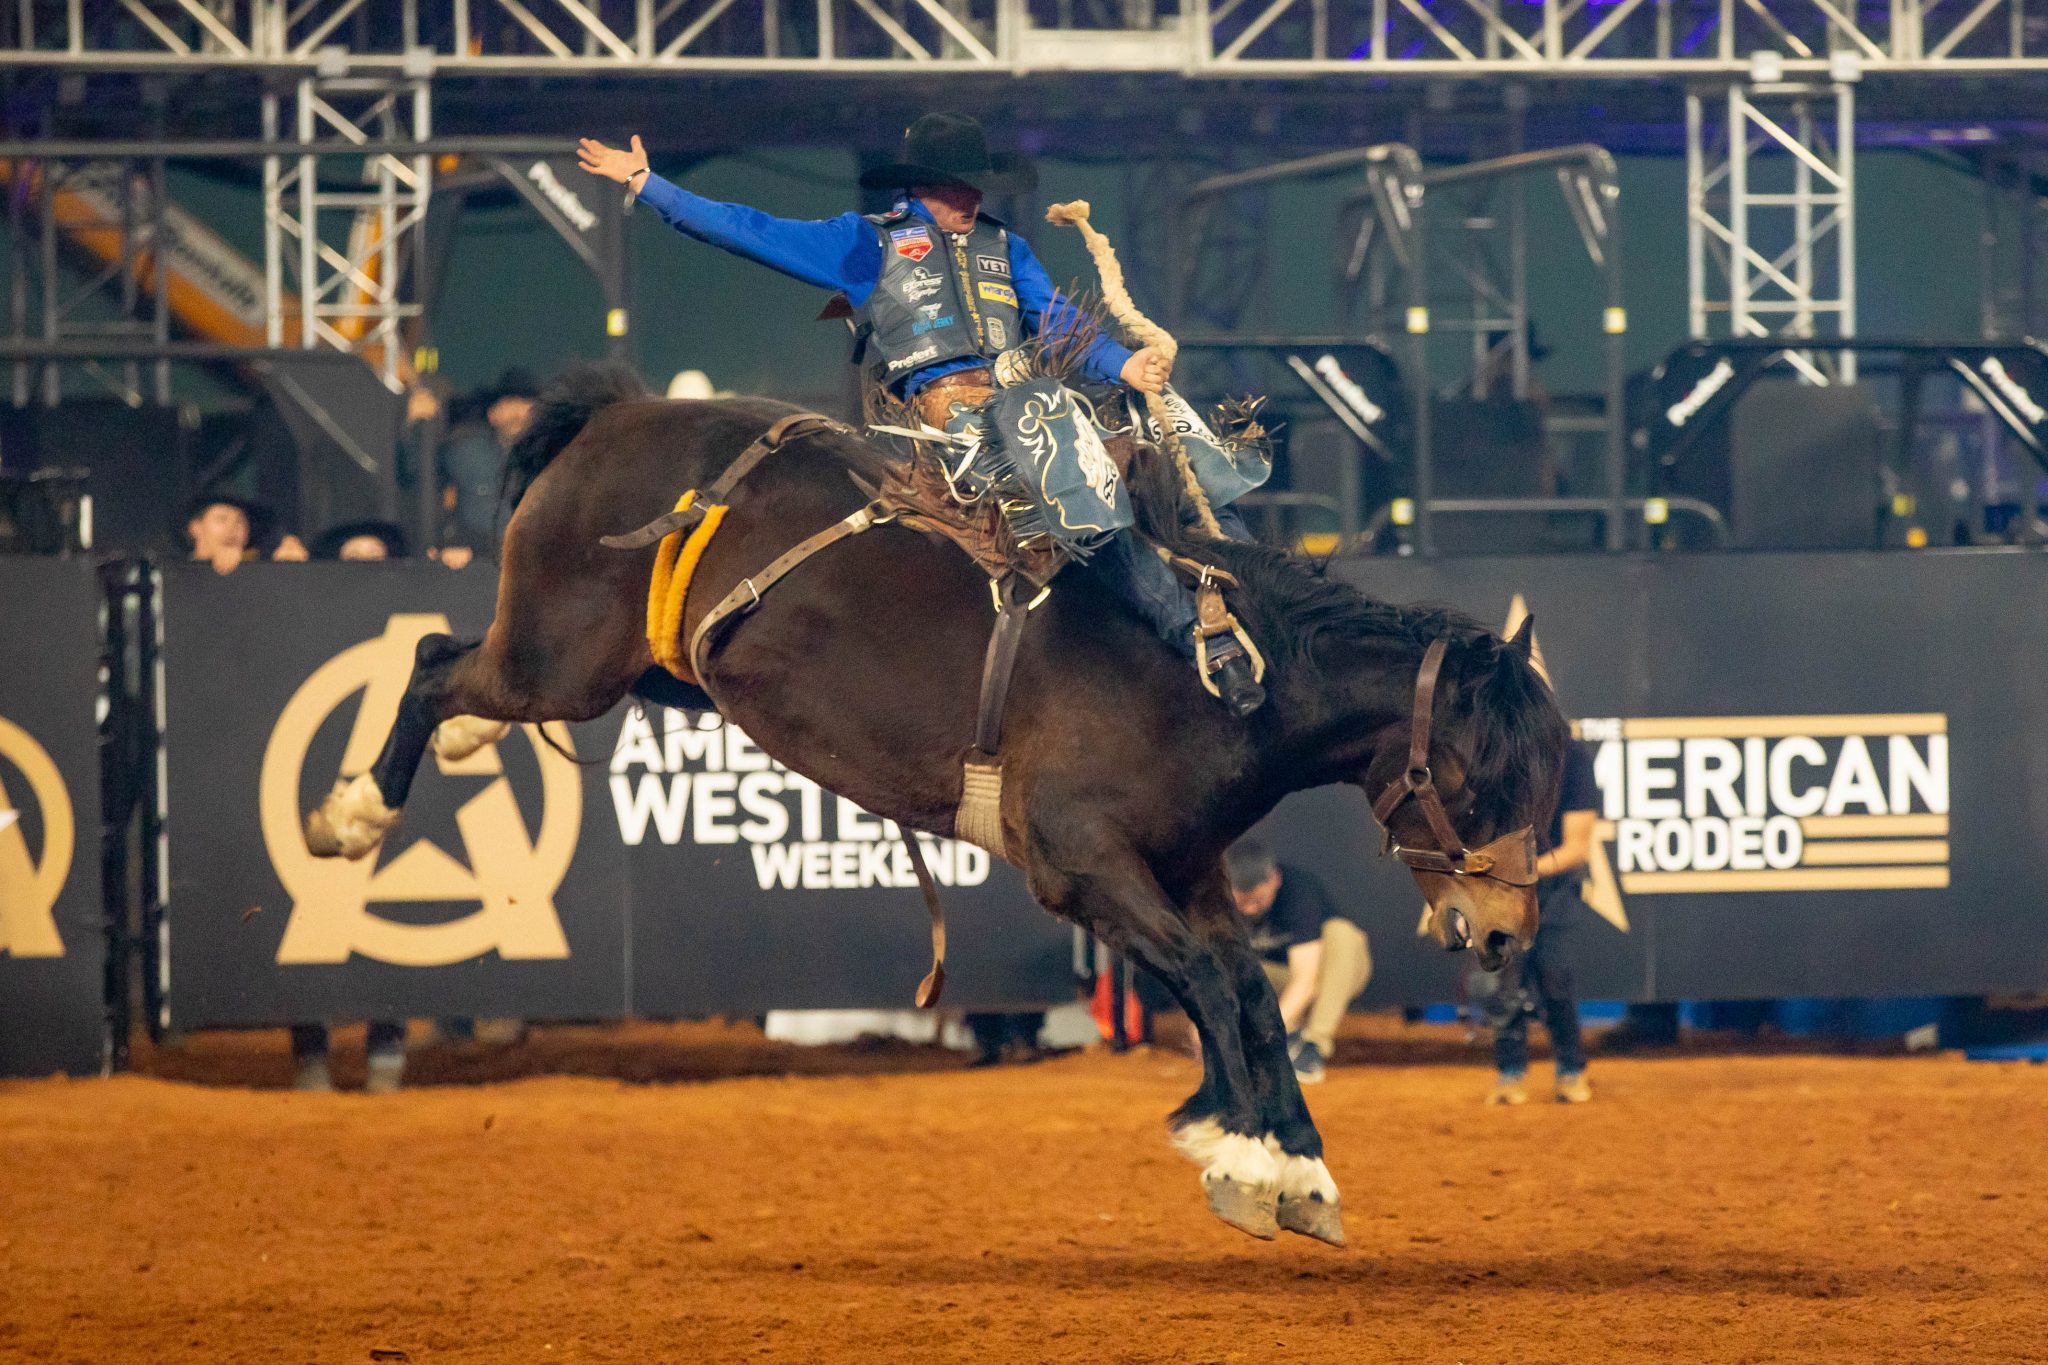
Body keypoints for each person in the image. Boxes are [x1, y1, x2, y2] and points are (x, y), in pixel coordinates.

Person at [576, 113, 1267, 715]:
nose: (971, 196)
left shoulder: (1007, 247)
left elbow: (1054, 321)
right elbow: (751, 231)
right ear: (923, 184)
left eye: (974, 184)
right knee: (1067, 459)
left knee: (1170, 441)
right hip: (956, 429)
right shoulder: (866, 242)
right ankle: (1195, 635)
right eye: (957, 183)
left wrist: (1124, 365)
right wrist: (649, 185)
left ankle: (1261, 593)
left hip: (1037, 402)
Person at [1480, 731, 1599, 1105]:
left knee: (1556, 979)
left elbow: (1577, 848)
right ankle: (1510, 1075)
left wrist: (1519, 872)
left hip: (1556, 890)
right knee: (1504, 984)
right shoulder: (1490, 751)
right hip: (1500, 891)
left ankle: (1570, 1071)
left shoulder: (1573, 756)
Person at [1224, 838, 1372, 1085]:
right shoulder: (1215, 901)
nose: (1249, 910)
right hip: (1276, 982)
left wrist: (1264, 1035)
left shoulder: (1300, 892)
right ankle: (1288, 1037)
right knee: (1228, 966)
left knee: (1343, 933)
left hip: (1327, 978)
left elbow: (1305, 981)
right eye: (1242, 902)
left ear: (1275, 880)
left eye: (1256, 900)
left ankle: (1313, 1045)